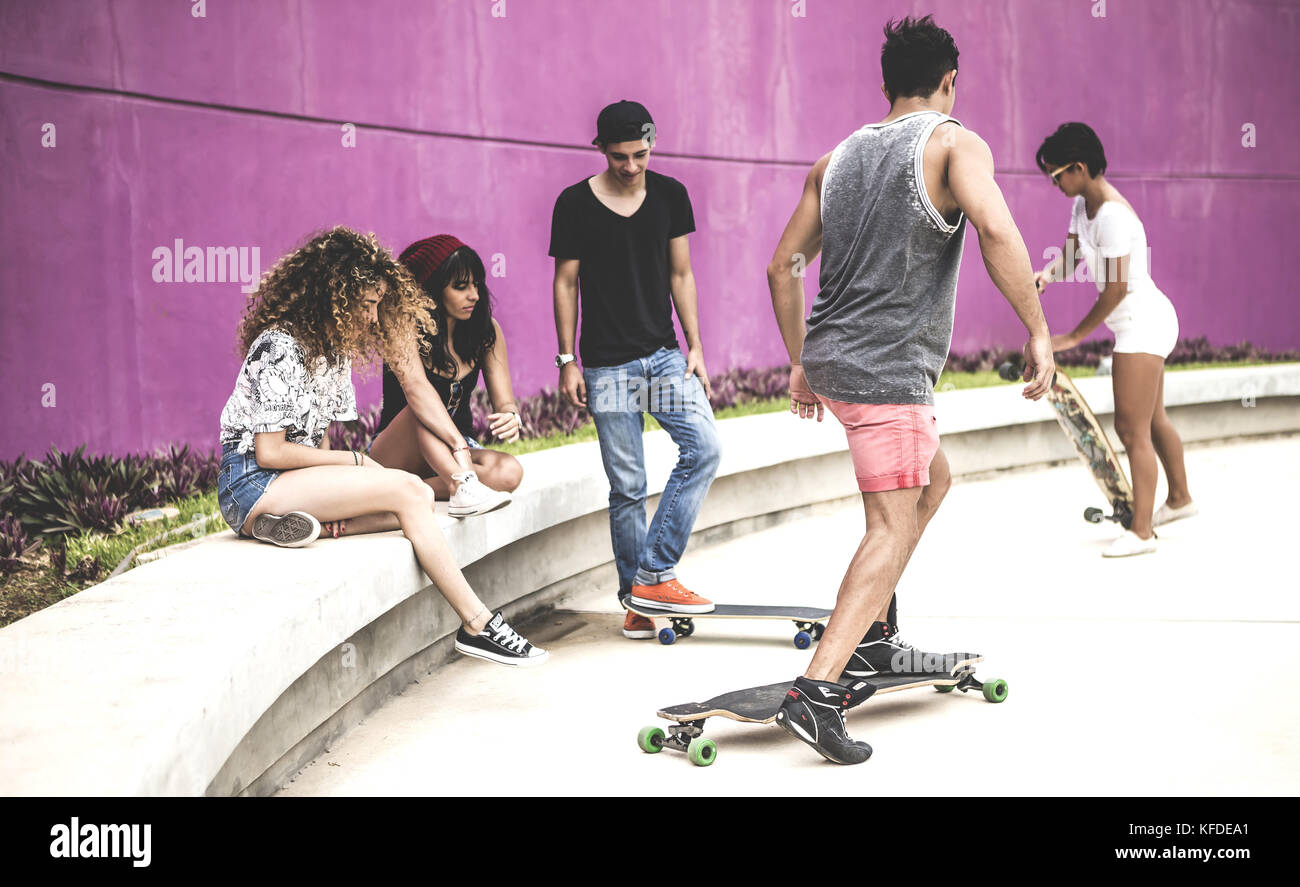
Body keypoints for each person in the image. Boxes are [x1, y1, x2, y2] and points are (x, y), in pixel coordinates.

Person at [765, 15, 1054, 763]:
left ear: (884, 81)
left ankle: (873, 633)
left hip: (836, 362)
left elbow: (782, 265)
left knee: (934, 480)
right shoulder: (953, 143)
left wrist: (802, 358)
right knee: (889, 526)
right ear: (950, 80)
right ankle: (818, 689)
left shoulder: (837, 158)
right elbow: (994, 229)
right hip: (887, 373)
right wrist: (1039, 329)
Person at [216, 226, 546, 667]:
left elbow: (319, 440)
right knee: (414, 492)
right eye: (367, 305)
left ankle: (291, 525)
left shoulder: (330, 352)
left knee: (406, 507)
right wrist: (354, 462)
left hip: (291, 486)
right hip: (251, 485)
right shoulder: (279, 347)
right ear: (335, 297)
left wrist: (343, 483)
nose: (374, 318)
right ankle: (478, 624)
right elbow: (270, 454)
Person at [550, 100, 722, 639]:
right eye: (620, 156)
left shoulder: (671, 195)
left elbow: (681, 274)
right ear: (600, 148)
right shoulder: (574, 203)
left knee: (706, 448)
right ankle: (638, 602)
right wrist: (566, 359)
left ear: (652, 143)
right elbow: (565, 283)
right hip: (607, 367)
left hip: (666, 356)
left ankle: (651, 575)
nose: (630, 166)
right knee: (627, 486)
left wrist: (696, 346)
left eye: (640, 154)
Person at [1033, 122, 1196, 555]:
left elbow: (1117, 289)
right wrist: (1047, 274)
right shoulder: (1082, 206)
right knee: (1153, 421)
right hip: (1139, 322)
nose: (1054, 183)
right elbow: (1069, 256)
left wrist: (1074, 337)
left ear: (1080, 168)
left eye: (1057, 175)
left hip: (1143, 323)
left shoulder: (1113, 217)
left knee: (1130, 428)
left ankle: (1141, 533)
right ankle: (1179, 500)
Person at [368, 235, 523, 519]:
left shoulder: (486, 332)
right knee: (423, 408)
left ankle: (414, 490)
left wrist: (511, 416)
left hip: (449, 453)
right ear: (434, 288)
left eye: (476, 285)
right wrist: (461, 452)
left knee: (509, 472)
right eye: (461, 287)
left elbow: (505, 404)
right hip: (397, 452)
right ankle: (461, 484)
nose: (474, 295)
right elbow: (416, 390)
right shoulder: (403, 327)